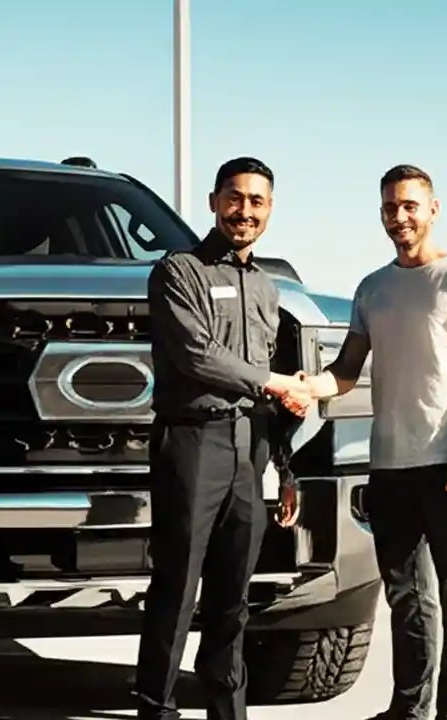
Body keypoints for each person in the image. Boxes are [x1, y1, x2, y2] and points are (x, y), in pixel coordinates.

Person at [295, 164, 447, 720]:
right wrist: (305, 389)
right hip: (388, 465)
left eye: (410, 205)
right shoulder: (372, 288)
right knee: (406, 597)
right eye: (390, 207)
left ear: (433, 209)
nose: (399, 216)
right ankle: (408, 709)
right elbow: (344, 371)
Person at [133, 156, 310, 720]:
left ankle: (227, 712)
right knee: (177, 587)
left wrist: (282, 465)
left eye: (257, 202)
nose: (244, 212)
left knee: (233, 597)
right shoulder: (178, 272)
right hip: (192, 442)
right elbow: (196, 356)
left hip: (248, 447)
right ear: (213, 202)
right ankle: (156, 707)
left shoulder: (265, 287)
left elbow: (272, 377)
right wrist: (275, 382)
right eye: (234, 199)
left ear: (270, 210)